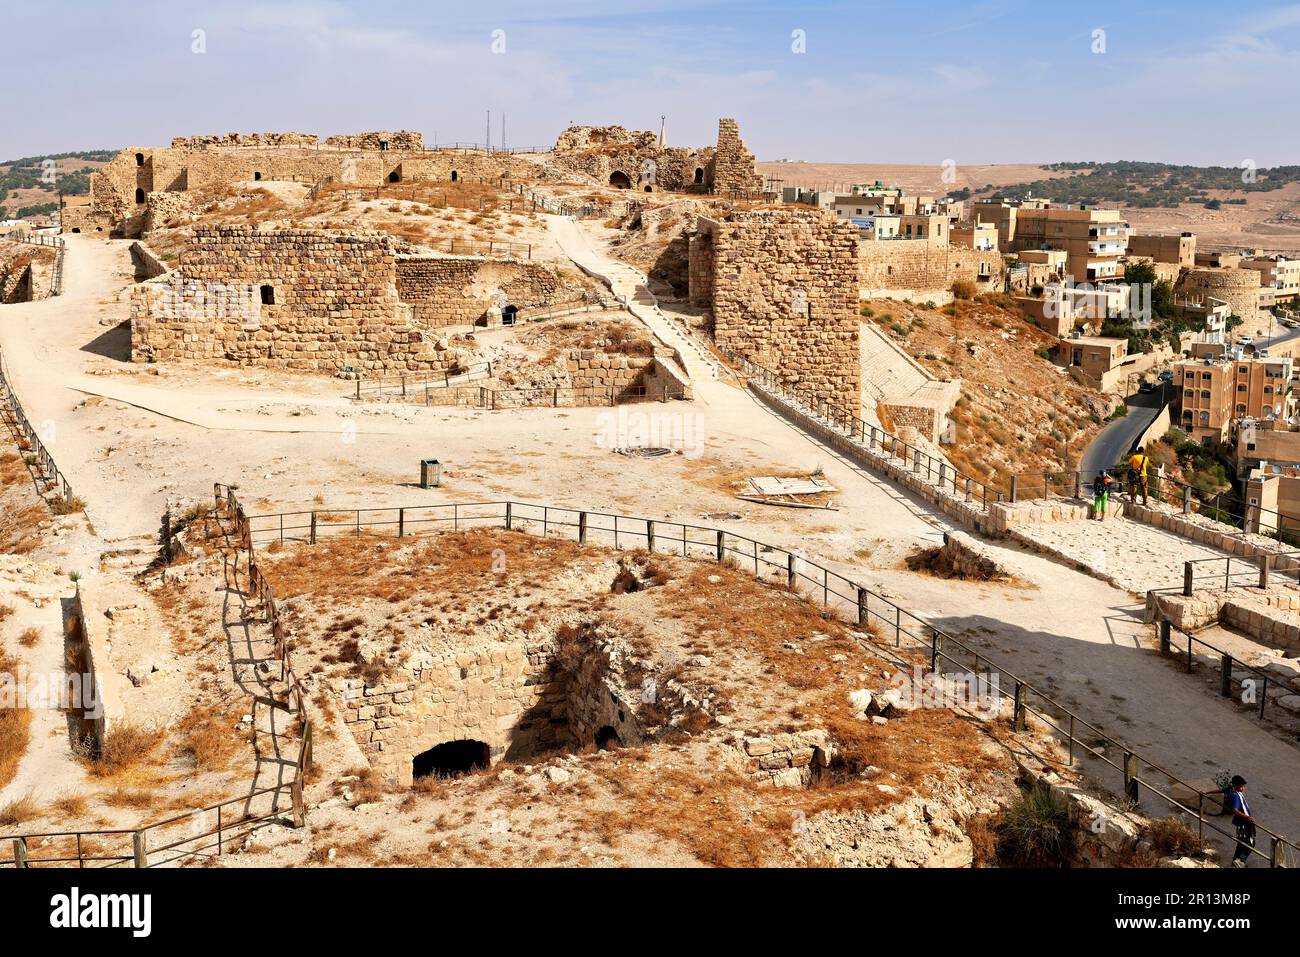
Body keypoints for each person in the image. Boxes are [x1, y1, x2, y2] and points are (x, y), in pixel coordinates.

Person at [1227, 775, 1256, 868]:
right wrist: (1247, 817)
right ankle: (1241, 861)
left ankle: (1235, 860)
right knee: (1250, 843)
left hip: (1241, 822)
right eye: (1241, 786)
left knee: (1241, 842)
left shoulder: (1231, 789)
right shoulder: (1235, 795)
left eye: (1244, 786)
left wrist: (1207, 792)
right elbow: (1235, 810)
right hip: (1244, 822)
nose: (1243, 788)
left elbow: (1221, 790)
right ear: (1235, 785)